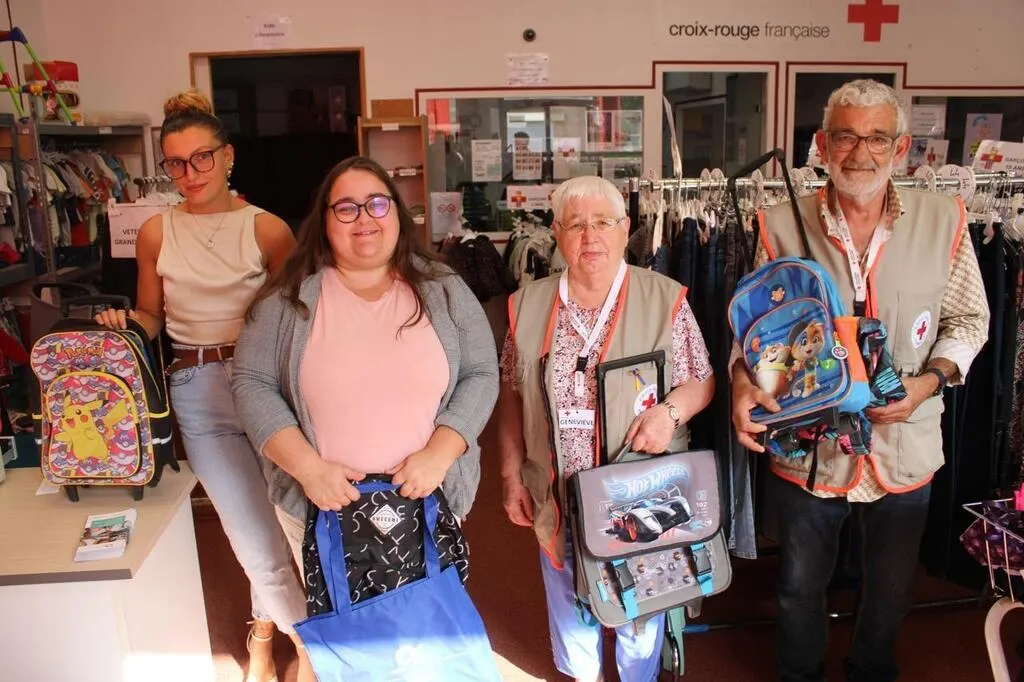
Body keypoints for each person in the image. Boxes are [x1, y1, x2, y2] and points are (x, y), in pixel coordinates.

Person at [730, 79, 991, 682]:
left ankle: (871, 671)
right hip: (809, 446)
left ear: (900, 148)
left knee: (893, 589)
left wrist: (928, 383)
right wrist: (744, 384)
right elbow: (755, 336)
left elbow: (969, 320)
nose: (861, 152)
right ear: (822, 146)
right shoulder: (777, 224)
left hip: (906, 442)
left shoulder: (944, 219)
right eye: (846, 137)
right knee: (798, 588)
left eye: (877, 138)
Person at [228, 155, 499, 669]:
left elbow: (482, 372)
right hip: (322, 504)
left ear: (396, 212)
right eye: (346, 208)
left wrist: (441, 454)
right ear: (325, 221)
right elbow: (251, 383)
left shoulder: (443, 287)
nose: (364, 218)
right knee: (349, 643)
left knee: (428, 635)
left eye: (377, 203)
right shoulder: (288, 299)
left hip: (429, 496)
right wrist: (309, 470)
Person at [94, 89, 310, 682]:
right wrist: (124, 322)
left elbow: (297, 319)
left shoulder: (267, 230)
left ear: (227, 156)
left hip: (266, 386)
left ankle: (265, 631)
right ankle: (308, 647)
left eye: (202, 158)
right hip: (196, 388)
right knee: (250, 533)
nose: (190, 174)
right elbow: (151, 316)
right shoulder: (155, 233)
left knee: (291, 523)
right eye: (176, 164)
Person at [497, 175, 715, 682]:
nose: (590, 236)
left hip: (638, 493)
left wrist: (669, 414)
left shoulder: (663, 298)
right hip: (558, 490)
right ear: (557, 232)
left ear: (626, 229)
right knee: (568, 597)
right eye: (576, 224)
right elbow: (512, 393)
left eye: (603, 222)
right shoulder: (527, 304)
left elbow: (701, 381)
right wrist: (510, 474)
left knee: (640, 604)